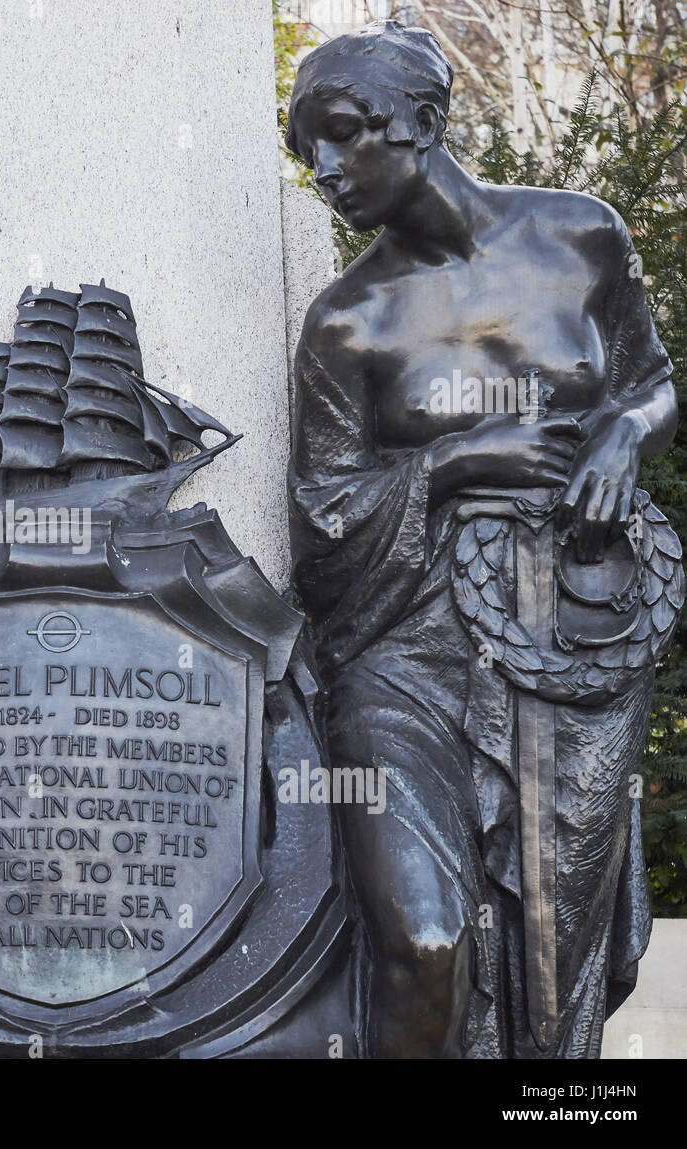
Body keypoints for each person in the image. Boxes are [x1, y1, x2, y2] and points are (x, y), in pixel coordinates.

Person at [285, 20, 680, 1057]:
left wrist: (622, 439)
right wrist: (455, 464)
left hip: (570, 641)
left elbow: (650, 384)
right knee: (424, 935)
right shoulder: (346, 320)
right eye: (306, 153)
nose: (323, 171)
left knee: (557, 963)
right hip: (405, 653)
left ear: (421, 122)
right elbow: (320, 531)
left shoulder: (580, 234)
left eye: (340, 136)